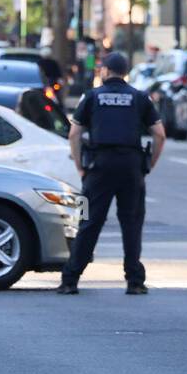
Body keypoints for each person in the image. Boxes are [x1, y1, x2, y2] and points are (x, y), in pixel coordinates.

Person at [57, 52, 166, 295]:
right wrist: (149, 164)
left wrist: (80, 167)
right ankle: (134, 281)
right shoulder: (139, 98)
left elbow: (74, 134)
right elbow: (159, 134)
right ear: (125, 72)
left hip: (99, 166)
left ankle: (70, 279)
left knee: (88, 222)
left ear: (105, 71)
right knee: (132, 223)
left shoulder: (92, 97)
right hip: (131, 166)